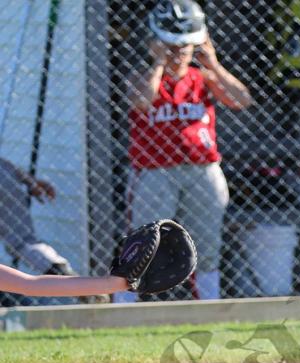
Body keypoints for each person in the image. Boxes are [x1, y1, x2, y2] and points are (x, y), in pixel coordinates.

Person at [116, 0, 252, 303]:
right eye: (172, 47)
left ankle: (209, 306)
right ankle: (123, 307)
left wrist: (213, 63)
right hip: (155, 171)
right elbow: (140, 100)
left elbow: (241, 99)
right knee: (142, 243)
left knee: (207, 244)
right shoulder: (144, 76)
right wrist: (159, 63)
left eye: (184, 48)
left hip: (202, 170)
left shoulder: (202, 78)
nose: (179, 54)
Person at [0, 158, 101, 305]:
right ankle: (64, 274)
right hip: (5, 174)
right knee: (24, 241)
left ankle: (65, 277)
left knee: (23, 241)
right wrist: (27, 179)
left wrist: (28, 179)